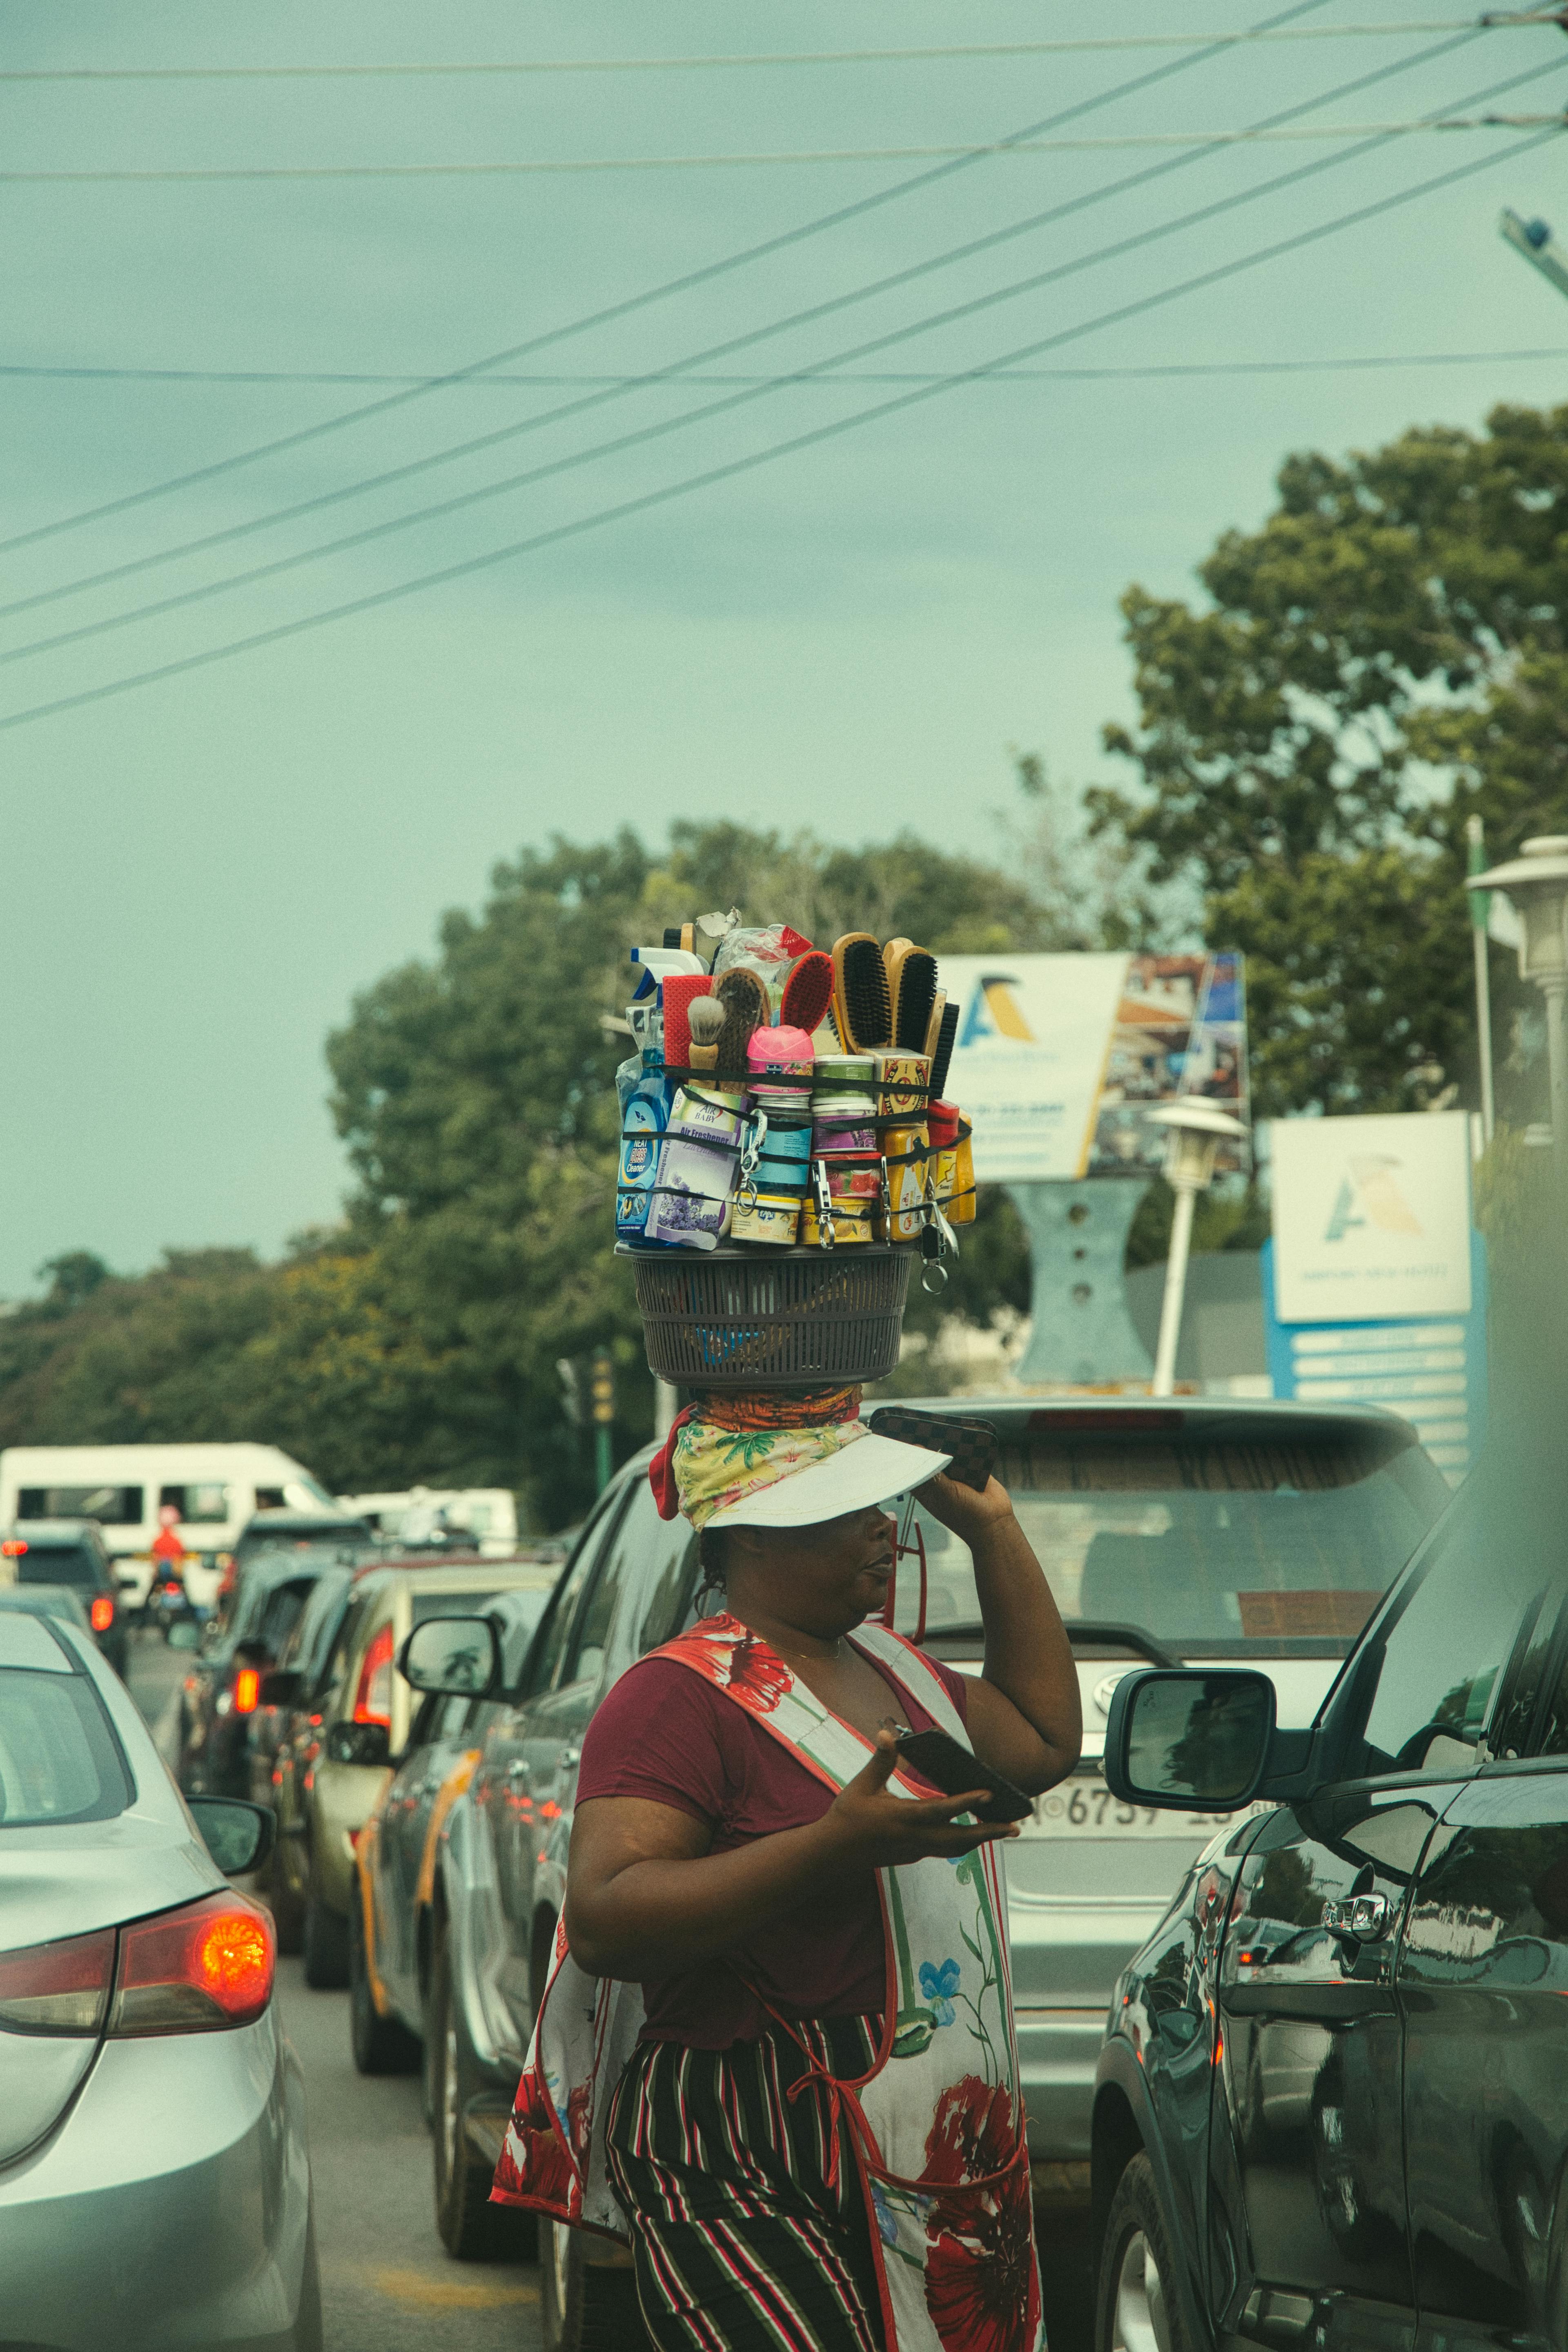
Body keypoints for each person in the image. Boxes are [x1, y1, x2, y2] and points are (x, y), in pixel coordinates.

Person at [492, 1388, 1082, 2352]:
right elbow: (604, 1916)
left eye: (883, 1506)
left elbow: (1047, 1738)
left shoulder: (900, 1673)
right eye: (852, 1509)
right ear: (754, 1531)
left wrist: (995, 1529)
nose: (885, 1533)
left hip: (908, 2132)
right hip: (731, 2140)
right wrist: (833, 1845)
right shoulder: (672, 1700)